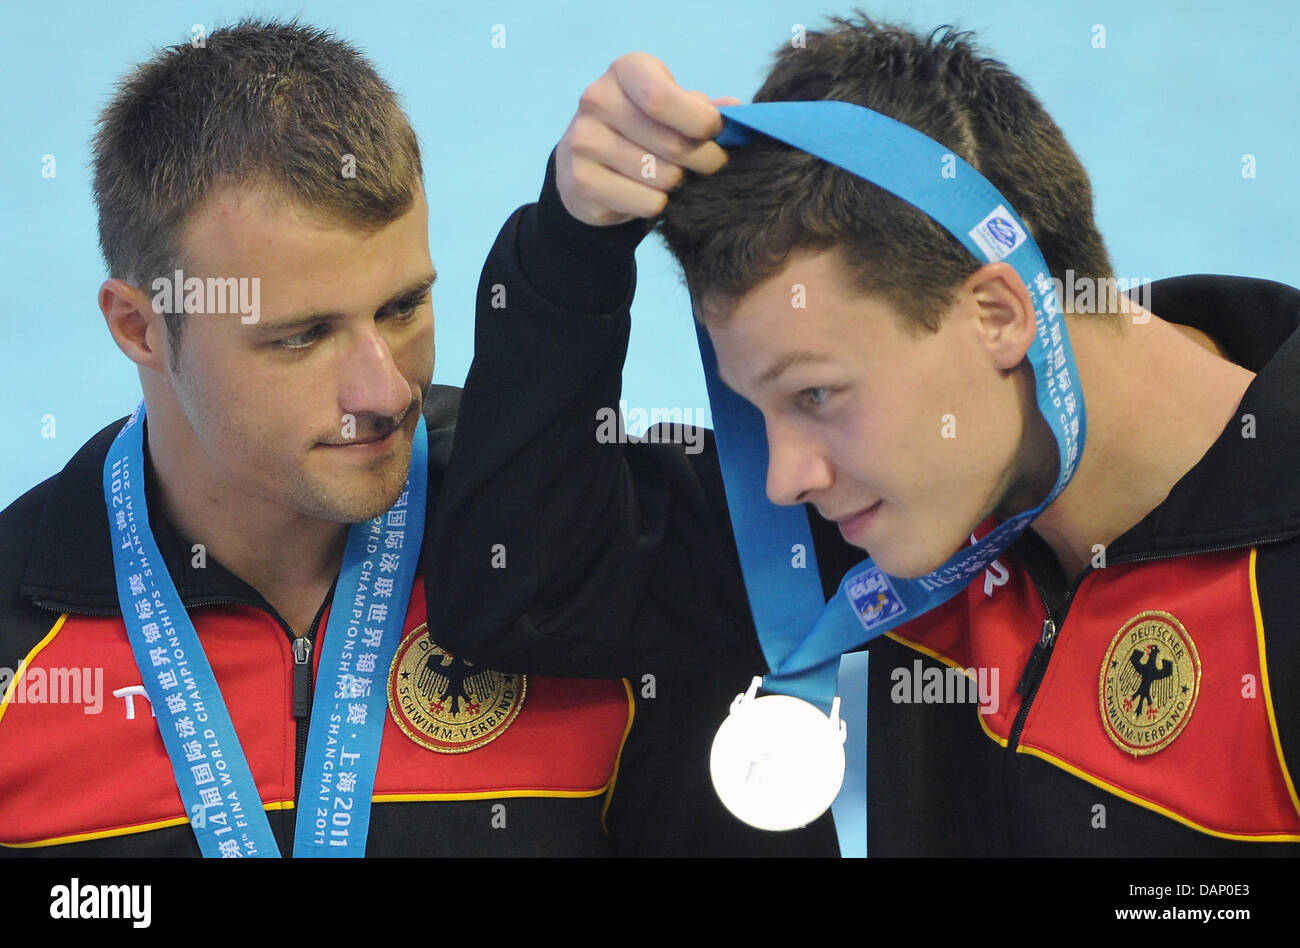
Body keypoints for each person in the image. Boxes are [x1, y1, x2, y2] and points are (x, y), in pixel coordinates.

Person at [425, 15, 1300, 855]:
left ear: (998, 315)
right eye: (757, 409)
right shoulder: (909, 514)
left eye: (815, 394)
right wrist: (574, 246)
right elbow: (528, 590)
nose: (783, 479)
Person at [0, 18, 835, 858]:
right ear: (139, 326)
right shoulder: (17, 643)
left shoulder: (583, 550)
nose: (384, 390)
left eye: (402, 308)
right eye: (300, 336)